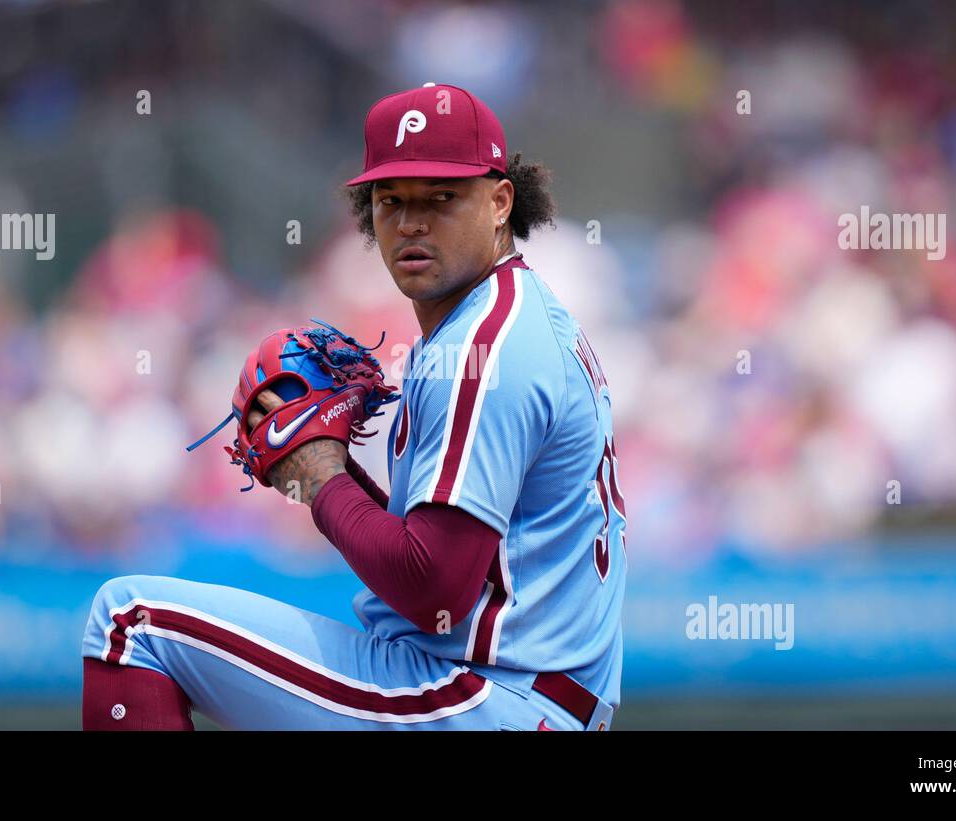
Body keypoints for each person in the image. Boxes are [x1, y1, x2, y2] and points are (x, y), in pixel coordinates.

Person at [80, 83, 626, 730]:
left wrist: (320, 478)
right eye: (391, 200)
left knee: (129, 622)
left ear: (500, 201)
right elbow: (435, 560)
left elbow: (433, 589)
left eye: (441, 198)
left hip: (482, 696)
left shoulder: (487, 344)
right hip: (513, 695)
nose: (412, 222)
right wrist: (337, 471)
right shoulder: (499, 319)